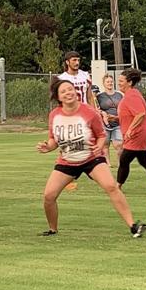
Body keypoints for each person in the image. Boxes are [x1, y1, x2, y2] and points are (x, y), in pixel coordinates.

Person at [36, 78, 146, 237]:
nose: (68, 93)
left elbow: (101, 135)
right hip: (67, 161)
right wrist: (48, 147)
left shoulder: (88, 111)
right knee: (49, 196)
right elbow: (54, 140)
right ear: (58, 97)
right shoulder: (54, 115)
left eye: (70, 89)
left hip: (91, 159)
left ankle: (133, 226)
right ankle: (52, 229)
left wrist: (100, 146)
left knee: (111, 186)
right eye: (63, 91)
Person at [56, 51, 96, 191]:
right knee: (67, 145)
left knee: (92, 143)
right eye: (73, 60)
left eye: (78, 60)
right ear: (67, 62)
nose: (77, 62)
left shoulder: (85, 75)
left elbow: (89, 96)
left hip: (85, 114)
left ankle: (96, 172)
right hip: (70, 116)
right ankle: (66, 177)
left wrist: (94, 111)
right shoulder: (61, 78)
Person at [96, 74, 124, 164]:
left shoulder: (120, 94)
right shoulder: (99, 96)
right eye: (108, 82)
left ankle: (120, 162)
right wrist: (102, 113)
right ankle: (108, 163)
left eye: (111, 81)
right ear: (104, 83)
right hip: (104, 124)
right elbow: (96, 108)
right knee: (105, 145)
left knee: (119, 144)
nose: (110, 83)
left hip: (118, 123)